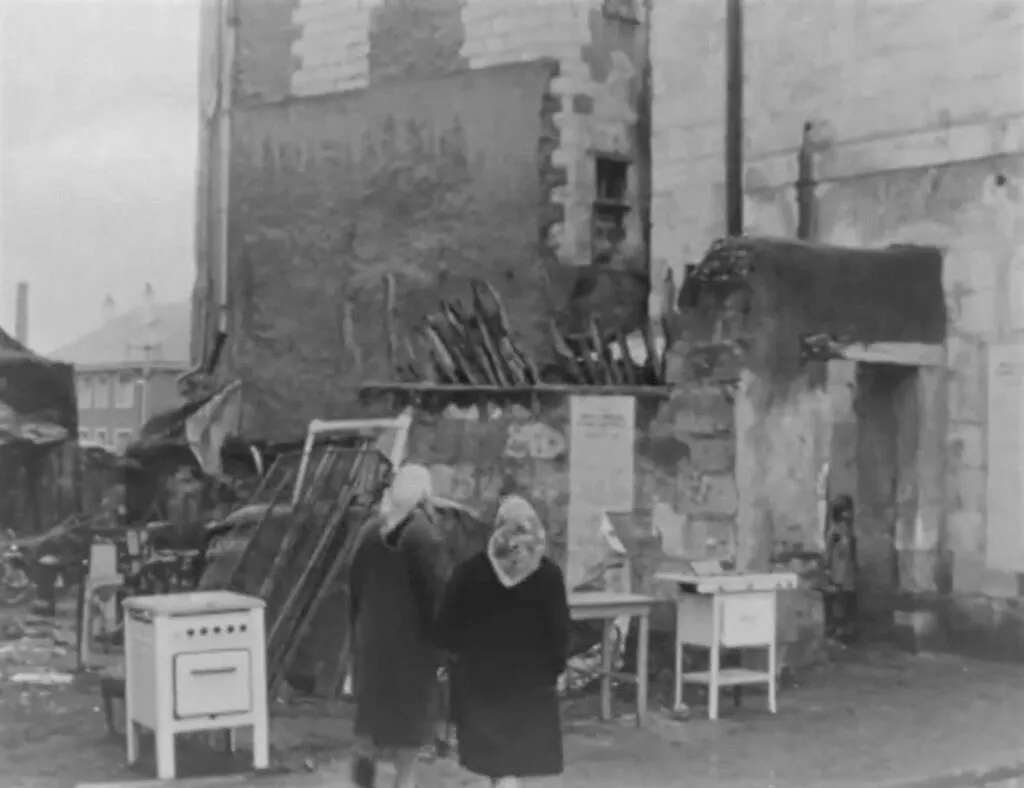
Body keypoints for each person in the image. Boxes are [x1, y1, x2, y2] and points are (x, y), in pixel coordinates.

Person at [436, 495, 570, 788]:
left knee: (494, 760)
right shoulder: (548, 575)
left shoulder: (470, 572)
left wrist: (456, 660)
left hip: (481, 682)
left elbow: (446, 627)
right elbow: (559, 632)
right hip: (530, 684)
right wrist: (557, 669)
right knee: (516, 761)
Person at [347, 463, 445, 788]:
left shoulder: (369, 533)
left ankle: (364, 779)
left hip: (372, 640)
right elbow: (436, 595)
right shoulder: (424, 536)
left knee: (370, 722)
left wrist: (358, 630)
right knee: (408, 728)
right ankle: (403, 783)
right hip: (411, 648)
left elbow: (355, 587)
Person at [824, 493, 858, 642]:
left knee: (847, 609)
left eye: (850, 510)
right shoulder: (835, 533)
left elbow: (852, 557)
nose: (849, 514)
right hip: (838, 578)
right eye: (846, 511)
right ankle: (836, 635)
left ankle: (846, 635)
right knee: (837, 609)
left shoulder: (849, 534)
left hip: (849, 579)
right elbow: (828, 555)